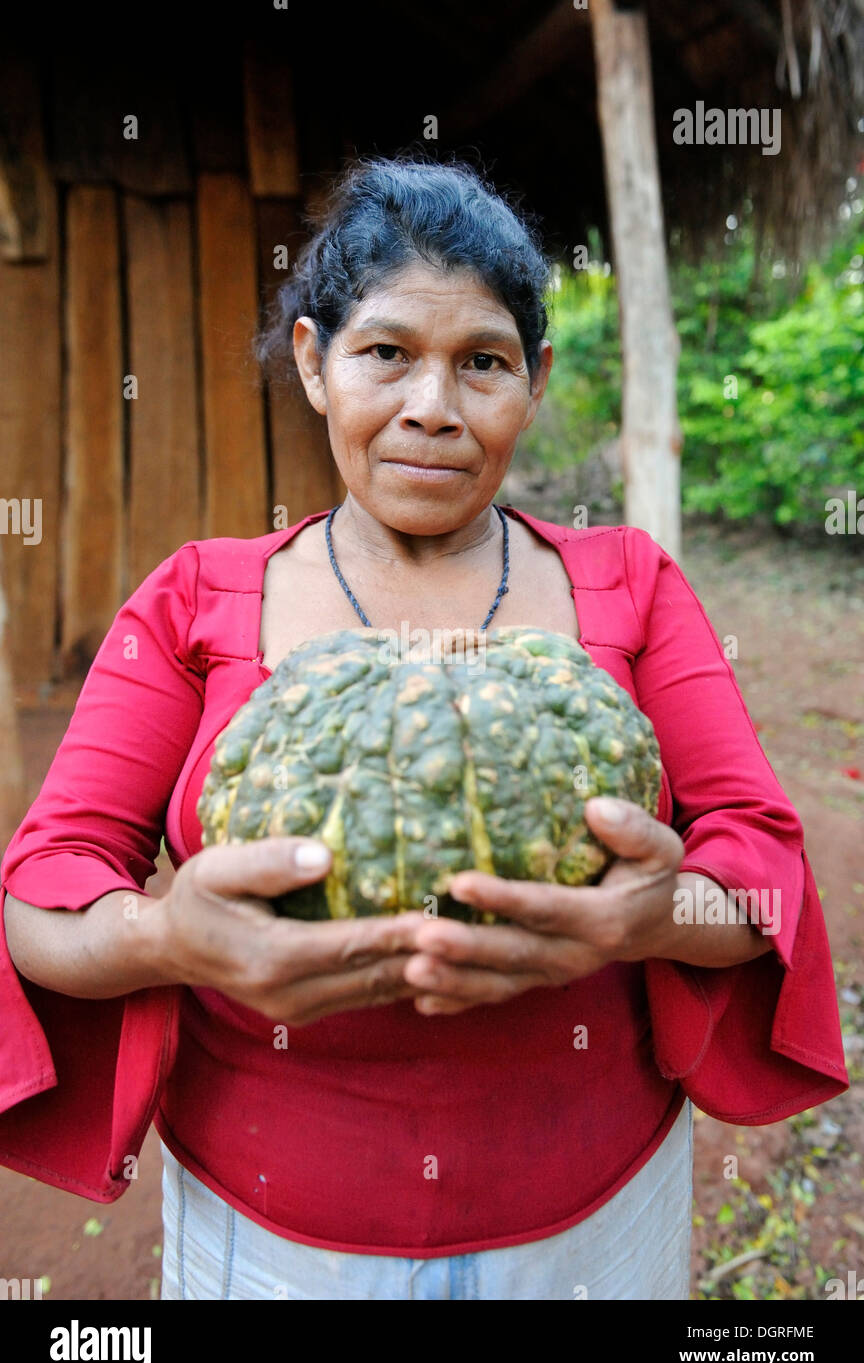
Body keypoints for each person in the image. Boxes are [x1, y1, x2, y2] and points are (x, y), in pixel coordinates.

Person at [0, 155, 848, 1301]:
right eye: (387, 352)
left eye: (483, 363)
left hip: (591, 1228)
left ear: (534, 380)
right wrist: (166, 939)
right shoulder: (196, 594)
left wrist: (658, 916)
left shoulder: (628, 584)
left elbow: (762, 873)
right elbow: (46, 886)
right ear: (314, 362)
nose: (433, 406)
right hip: (277, 1245)